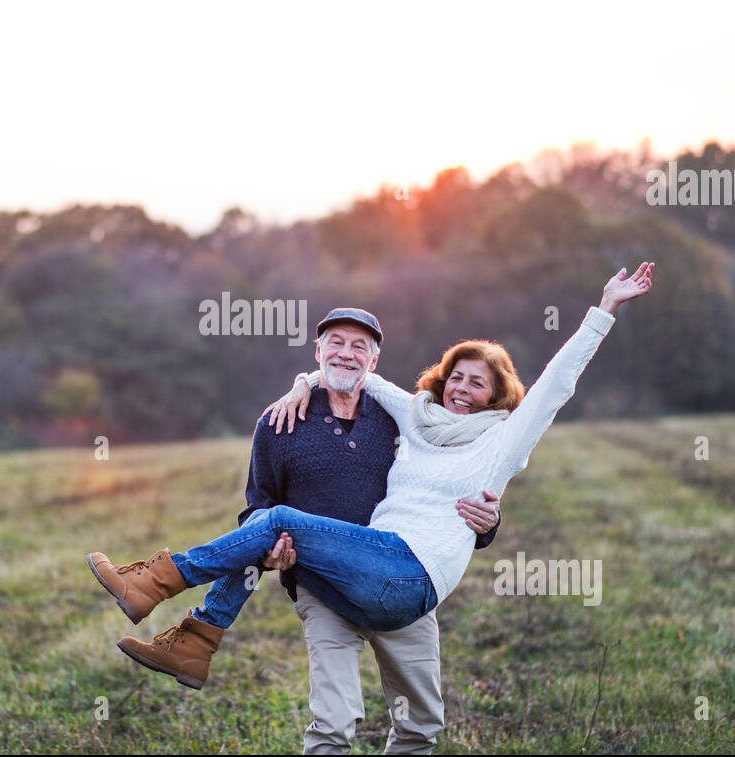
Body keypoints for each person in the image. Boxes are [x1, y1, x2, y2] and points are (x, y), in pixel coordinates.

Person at [88, 262, 654, 693]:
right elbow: (349, 371)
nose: (461, 389)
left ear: (497, 396)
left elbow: (557, 382)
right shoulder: (414, 415)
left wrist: (603, 309)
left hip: (409, 575)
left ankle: (158, 582)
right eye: (456, 377)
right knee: (270, 527)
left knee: (279, 519)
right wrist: (301, 383)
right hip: (366, 571)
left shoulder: (503, 440)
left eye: (477, 384)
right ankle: (195, 642)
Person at [238, 307, 502, 753]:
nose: (346, 353)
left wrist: (488, 523)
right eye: (335, 343)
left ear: (374, 362)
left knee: (421, 724)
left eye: (359, 346)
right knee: (333, 725)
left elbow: (451, 484)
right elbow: (255, 512)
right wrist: (268, 556)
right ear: (318, 351)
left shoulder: (401, 418)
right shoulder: (279, 424)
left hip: (398, 574)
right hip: (320, 586)